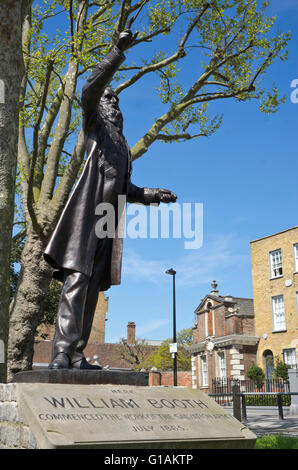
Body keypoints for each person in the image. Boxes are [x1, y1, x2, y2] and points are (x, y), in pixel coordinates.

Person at [44, 29, 177, 370]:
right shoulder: (94, 127)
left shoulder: (122, 149)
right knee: (76, 279)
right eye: (109, 101)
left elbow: (126, 188)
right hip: (85, 217)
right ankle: (61, 351)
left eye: (117, 103)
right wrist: (117, 51)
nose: (114, 106)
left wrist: (152, 195)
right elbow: (89, 90)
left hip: (108, 220)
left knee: (91, 289)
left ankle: (77, 353)